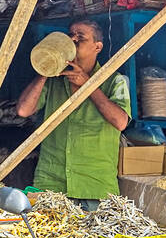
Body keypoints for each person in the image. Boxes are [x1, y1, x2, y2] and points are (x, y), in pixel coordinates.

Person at [17, 20, 130, 209]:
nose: (73, 40)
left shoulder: (114, 81)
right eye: (71, 35)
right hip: (51, 182)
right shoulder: (54, 80)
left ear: (97, 47)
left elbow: (120, 122)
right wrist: (47, 68)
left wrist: (88, 85)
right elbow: (23, 110)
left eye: (81, 37)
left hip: (95, 185)